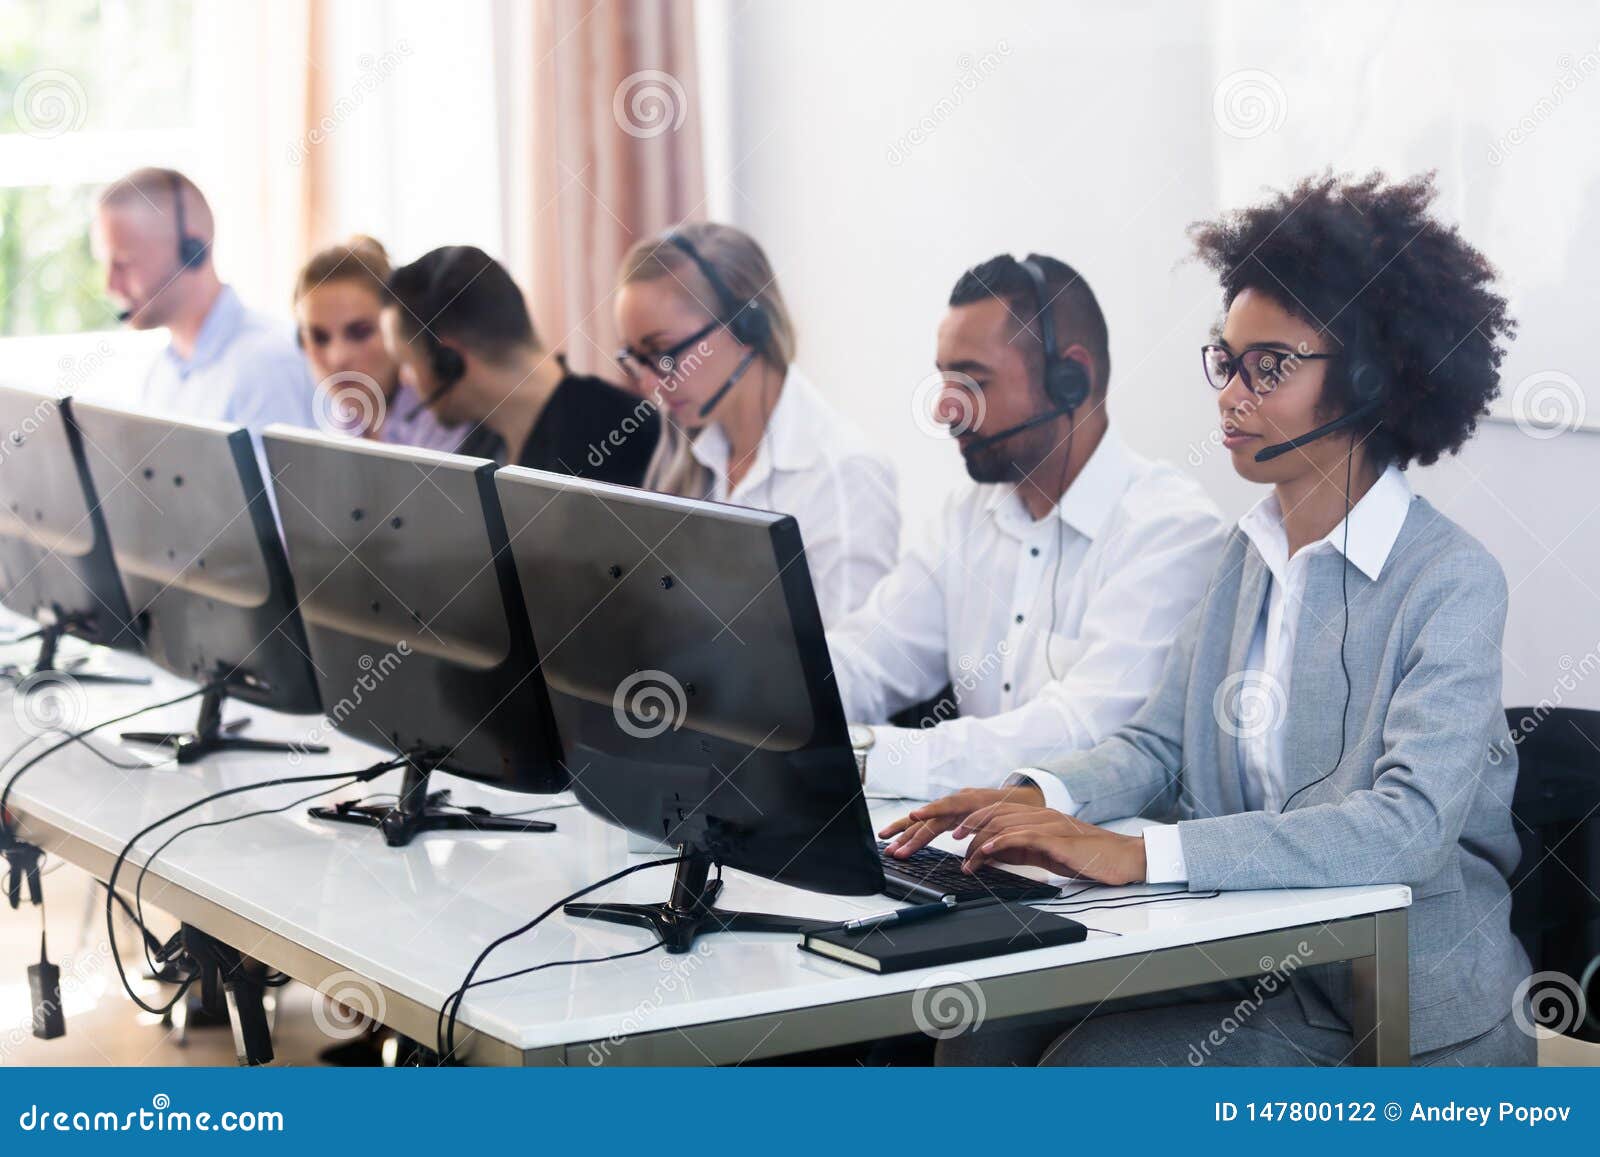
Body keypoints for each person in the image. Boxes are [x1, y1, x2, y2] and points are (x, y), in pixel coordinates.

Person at [884, 172, 1532, 1067]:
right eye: (1225, 361)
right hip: (1252, 953)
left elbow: (1407, 827)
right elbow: (1159, 745)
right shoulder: (1246, 555)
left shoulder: (1451, 580)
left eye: (1268, 368)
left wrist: (1142, 854)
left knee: (1089, 1076)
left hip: (1394, 1005)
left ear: (1368, 379)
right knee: (978, 1018)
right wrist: (1038, 797)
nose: (1230, 394)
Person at [827, 254, 1224, 798]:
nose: (945, 409)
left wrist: (862, 758)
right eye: (944, 379)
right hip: (979, 839)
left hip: (1104, 849)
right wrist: (766, 703)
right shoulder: (966, 516)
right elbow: (869, 656)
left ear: (1070, 380)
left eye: (972, 381)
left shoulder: (1170, 532)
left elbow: (1081, 735)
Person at [613, 223, 898, 626]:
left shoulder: (844, 475)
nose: (648, 384)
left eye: (663, 354)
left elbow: (851, 658)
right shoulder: (684, 452)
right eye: (636, 359)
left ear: (748, 326)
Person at [381, 245, 658, 486]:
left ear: (449, 362)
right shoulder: (481, 445)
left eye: (407, 364)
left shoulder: (623, 439)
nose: (405, 379)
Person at [92, 167, 315, 436]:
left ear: (192, 251)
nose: (110, 286)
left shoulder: (267, 366)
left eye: (124, 263)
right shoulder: (161, 372)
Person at [292, 236, 463, 451]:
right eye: (319, 337)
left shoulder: (443, 425)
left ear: (397, 331)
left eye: (360, 332)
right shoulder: (342, 426)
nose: (337, 358)